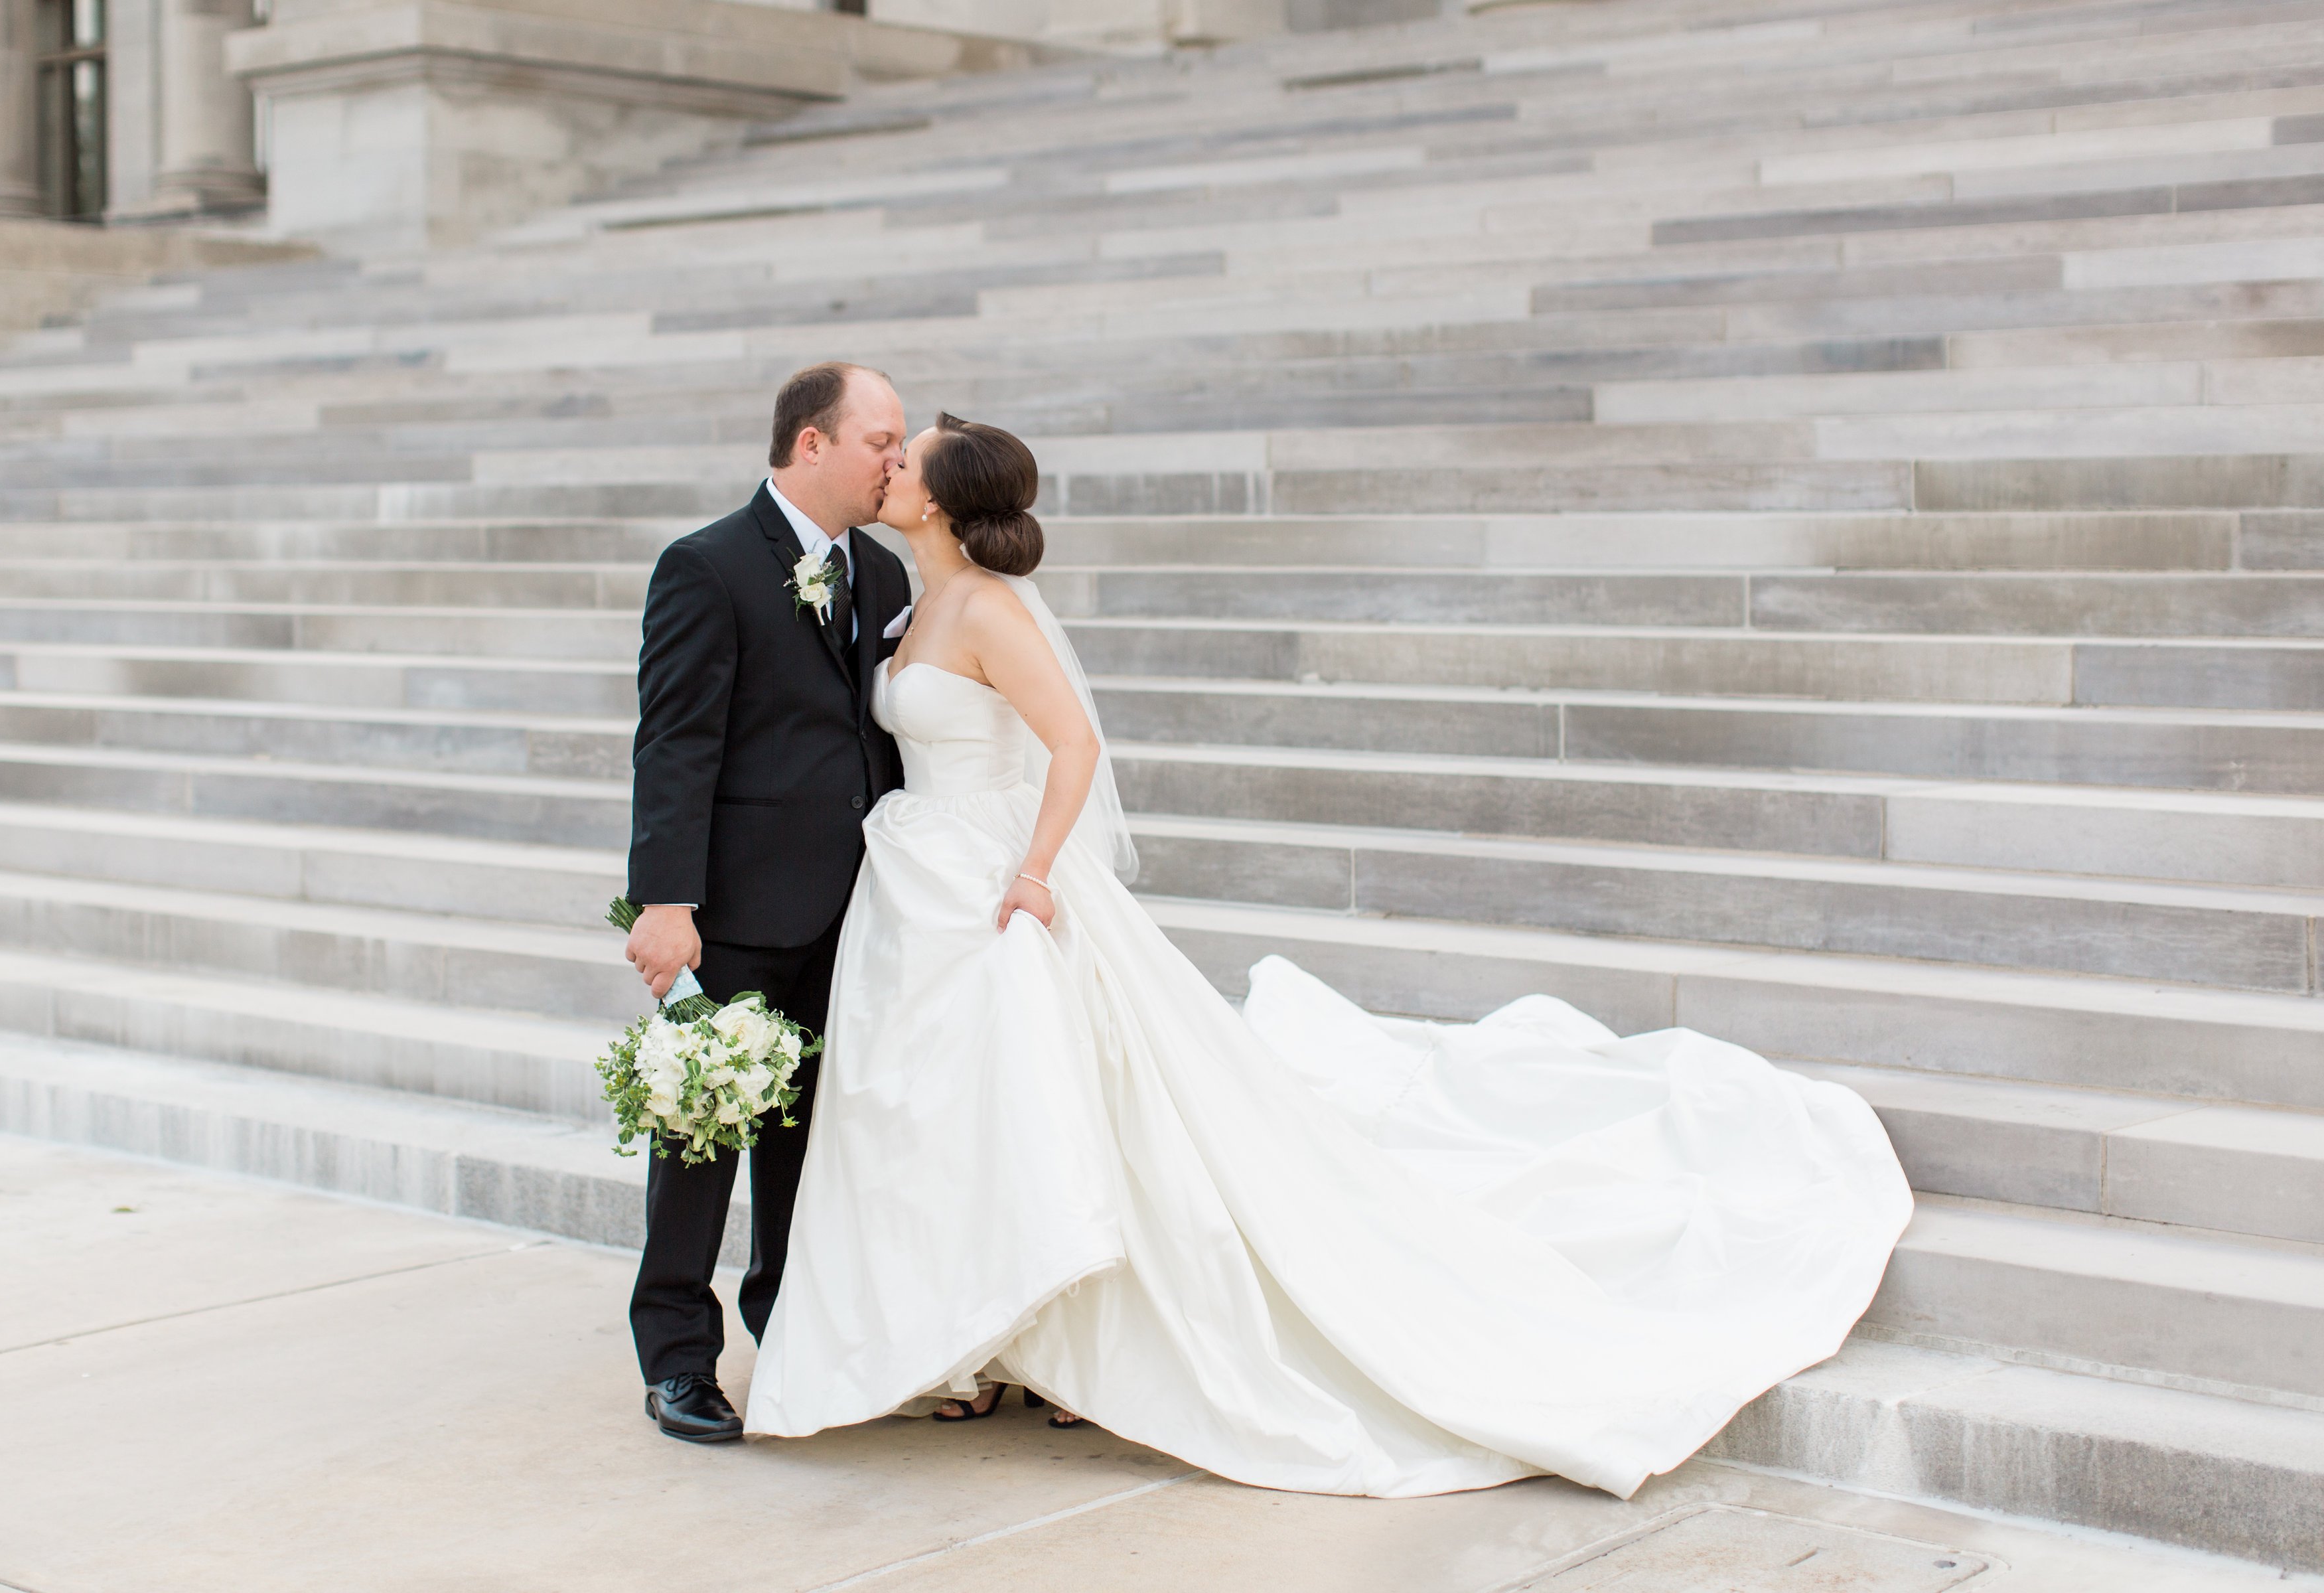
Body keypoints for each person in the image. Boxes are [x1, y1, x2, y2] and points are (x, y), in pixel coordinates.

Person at [737, 413, 1915, 1499]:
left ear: (938, 501)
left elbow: (1074, 744)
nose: (888, 465)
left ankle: (1088, 1343)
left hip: (999, 886)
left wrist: (1036, 876)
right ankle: (988, 1339)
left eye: (908, 457)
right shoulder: (899, 598)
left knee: (1065, 1111)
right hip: (919, 888)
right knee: (964, 1117)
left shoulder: (989, 608)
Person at [620, 362, 913, 1443]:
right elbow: (675, 741)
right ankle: (678, 1360)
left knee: (809, 1142)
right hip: (735, 908)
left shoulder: (880, 575)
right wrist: (665, 901)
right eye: (880, 439)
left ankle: (787, 1327)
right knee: (703, 1131)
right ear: (811, 447)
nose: (897, 457)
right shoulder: (707, 566)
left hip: (855, 914)